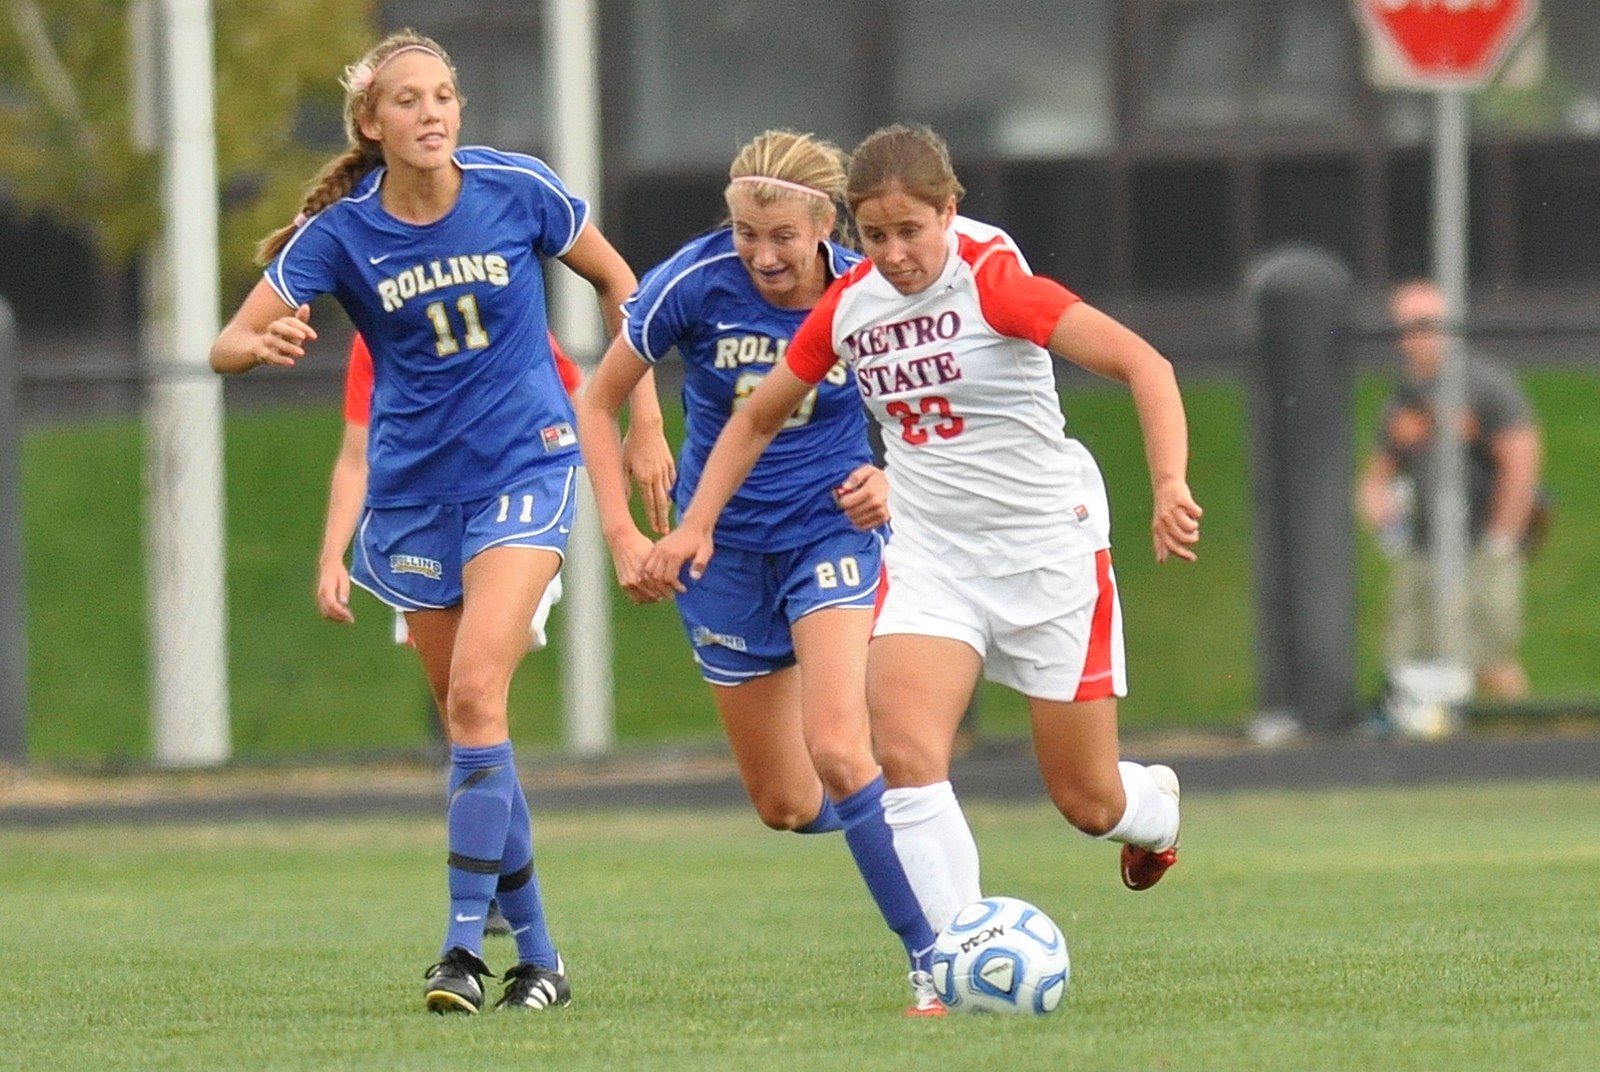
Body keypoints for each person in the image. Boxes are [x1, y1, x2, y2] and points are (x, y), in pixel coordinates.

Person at [641, 123, 1199, 1013]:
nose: (895, 254)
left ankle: (1154, 810)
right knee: (903, 755)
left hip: (1047, 552)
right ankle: (949, 963)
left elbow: (1145, 363)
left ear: (949, 211)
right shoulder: (850, 304)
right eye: (874, 235)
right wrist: (695, 526)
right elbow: (757, 416)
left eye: (911, 231)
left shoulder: (996, 284)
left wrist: (1168, 484)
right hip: (934, 556)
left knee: (1088, 802)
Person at [210, 29, 653, 1015]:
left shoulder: (515, 188)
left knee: (479, 694)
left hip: (526, 466)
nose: (433, 113)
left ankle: (458, 951)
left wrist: (647, 421)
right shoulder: (341, 234)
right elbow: (224, 343)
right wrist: (260, 344)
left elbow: (623, 283)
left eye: (444, 94)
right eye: (408, 99)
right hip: (414, 496)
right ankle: (541, 959)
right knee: (471, 724)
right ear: (371, 124)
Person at [574, 129, 945, 1015]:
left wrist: (892, 478)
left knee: (839, 748)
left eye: (783, 236)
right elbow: (594, 400)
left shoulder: (868, 287)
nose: (764, 255)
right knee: (785, 802)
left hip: (828, 534)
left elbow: (942, 399)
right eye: (747, 233)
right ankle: (904, 814)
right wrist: (622, 535)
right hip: (720, 553)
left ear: (825, 224)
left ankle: (934, 955)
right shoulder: (693, 283)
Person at [1356, 279, 1543, 701]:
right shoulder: (1403, 398)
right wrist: (1386, 523)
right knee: (1410, 658)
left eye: (1426, 324)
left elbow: (1521, 462)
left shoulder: (1485, 385)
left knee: (1489, 656)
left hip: (1481, 541)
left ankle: (1523, 729)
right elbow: (1376, 476)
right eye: (1407, 326)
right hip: (1424, 546)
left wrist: (1501, 538)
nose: (1416, 337)